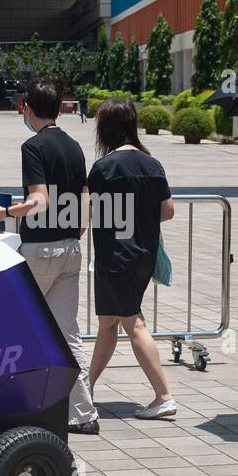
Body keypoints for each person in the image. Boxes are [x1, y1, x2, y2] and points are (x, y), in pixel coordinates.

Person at [0, 79, 99, 435]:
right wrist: (75, 235)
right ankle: (84, 413)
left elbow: (40, 200)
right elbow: (85, 202)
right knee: (68, 334)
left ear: (27, 108)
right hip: (71, 249)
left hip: (39, 251)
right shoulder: (75, 147)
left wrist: (5, 213)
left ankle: (5, 408)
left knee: (11, 325)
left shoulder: (32, 147)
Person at [84, 97, 177, 420]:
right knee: (109, 323)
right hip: (143, 255)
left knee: (133, 324)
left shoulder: (104, 168)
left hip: (114, 257)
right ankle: (86, 388)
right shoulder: (153, 164)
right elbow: (168, 211)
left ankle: (164, 395)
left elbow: (88, 212)